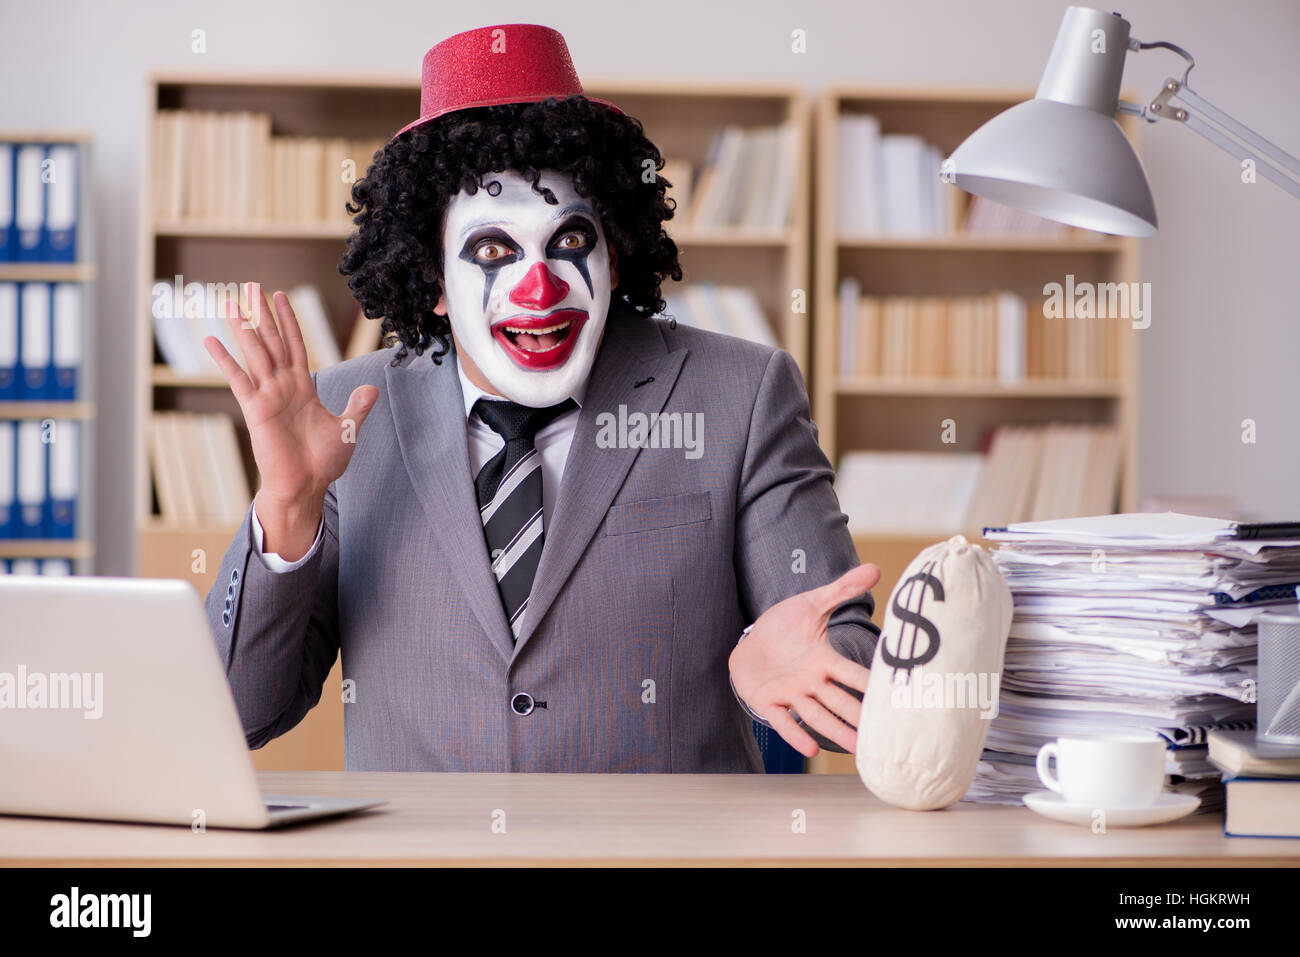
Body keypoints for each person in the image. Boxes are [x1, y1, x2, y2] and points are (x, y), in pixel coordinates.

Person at [202, 23, 880, 772]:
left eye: (568, 242)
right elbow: (239, 712)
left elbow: (841, 642)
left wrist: (771, 665)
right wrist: (288, 509)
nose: (539, 287)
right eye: (494, 250)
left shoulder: (740, 394)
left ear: (614, 255)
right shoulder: (344, 415)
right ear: (432, 281)